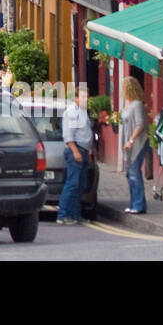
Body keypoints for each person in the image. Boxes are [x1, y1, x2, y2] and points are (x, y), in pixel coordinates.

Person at [58, 85, 93, 224]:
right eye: (84, 96)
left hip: (83, 150)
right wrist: (76, 151)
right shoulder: (72, 112)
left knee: (81, 185)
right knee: (72, 184)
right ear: (77, 98)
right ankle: (63, 215)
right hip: (76, 150)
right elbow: (68, 135)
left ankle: (75, 215)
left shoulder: (83, 111)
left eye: (87, 96)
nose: (87, 99)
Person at [120, 76, 149, 215]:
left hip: (137, 143)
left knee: (134, 173)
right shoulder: (128, 103)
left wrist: (131, 140)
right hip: (128, 144)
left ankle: (138, 205)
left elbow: (140, 124)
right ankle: (134, 204)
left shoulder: (137, 104)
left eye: (123, 87)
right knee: (130, 174)